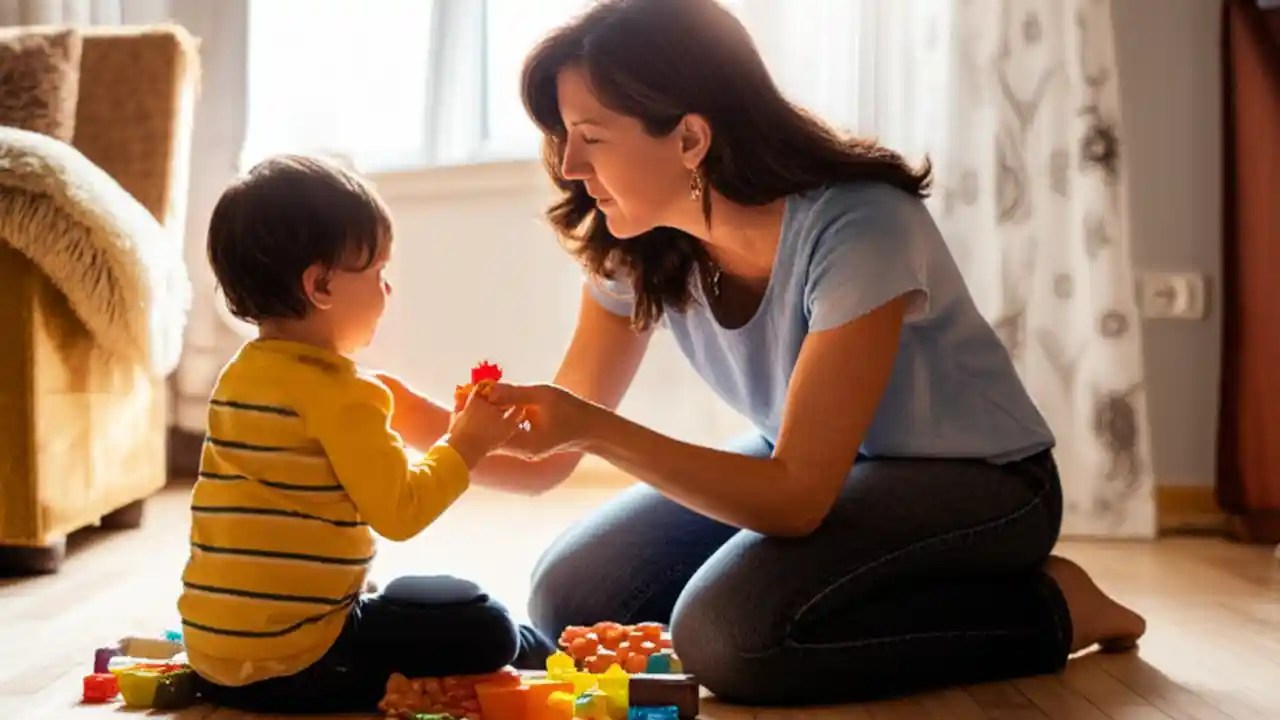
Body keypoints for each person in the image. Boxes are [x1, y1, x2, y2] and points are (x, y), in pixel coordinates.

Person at [379, 0, 1148, 706]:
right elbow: (547, 461)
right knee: (571, 596)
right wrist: (411, 424)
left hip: (982, 484)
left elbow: (793, 498)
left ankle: (1051, 607)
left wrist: (594, 428)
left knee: (731, 640)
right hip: (821, 467)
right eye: (564, 137)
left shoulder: (859, 228)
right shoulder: (636, 247)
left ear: (689, 137)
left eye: (591, 137)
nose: (571, 166)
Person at [179, 155, 553, 714]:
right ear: (321, 284)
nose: (388, 291)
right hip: (306, 664)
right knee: (484, 622)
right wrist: (467, 445)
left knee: (402, 597)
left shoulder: (241, 374)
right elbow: (401, 512)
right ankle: (535, 651)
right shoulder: (342, 395)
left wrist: (390, 405)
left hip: (215, 661)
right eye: (378, 273)